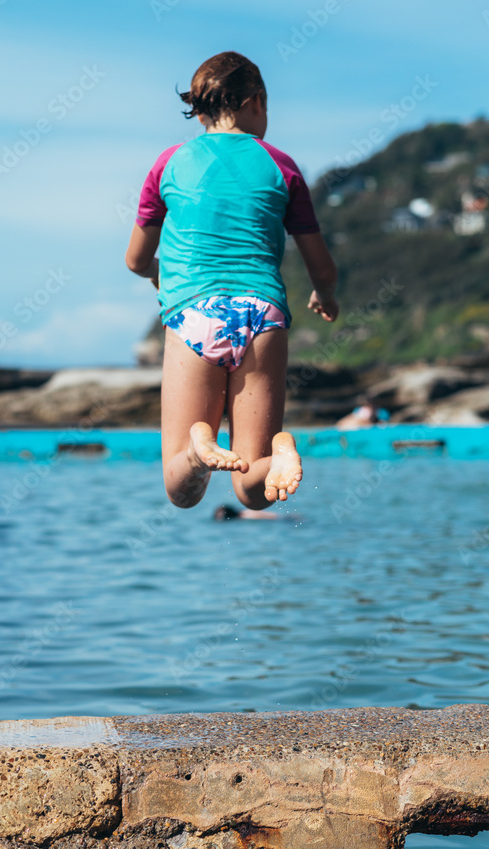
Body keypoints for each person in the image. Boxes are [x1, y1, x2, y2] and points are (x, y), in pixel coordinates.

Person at [125, 51, 338, 509]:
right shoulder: (282, 165)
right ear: (256, 101)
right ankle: (279, 451)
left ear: (200, 111)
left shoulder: (169, 163)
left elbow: (136, 259)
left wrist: (157, 275)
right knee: (252, 490)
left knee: (180, 489)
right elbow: (321, 264)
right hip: (263, 317)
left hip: (193, 316)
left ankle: (198, 452)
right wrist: (324, 293)